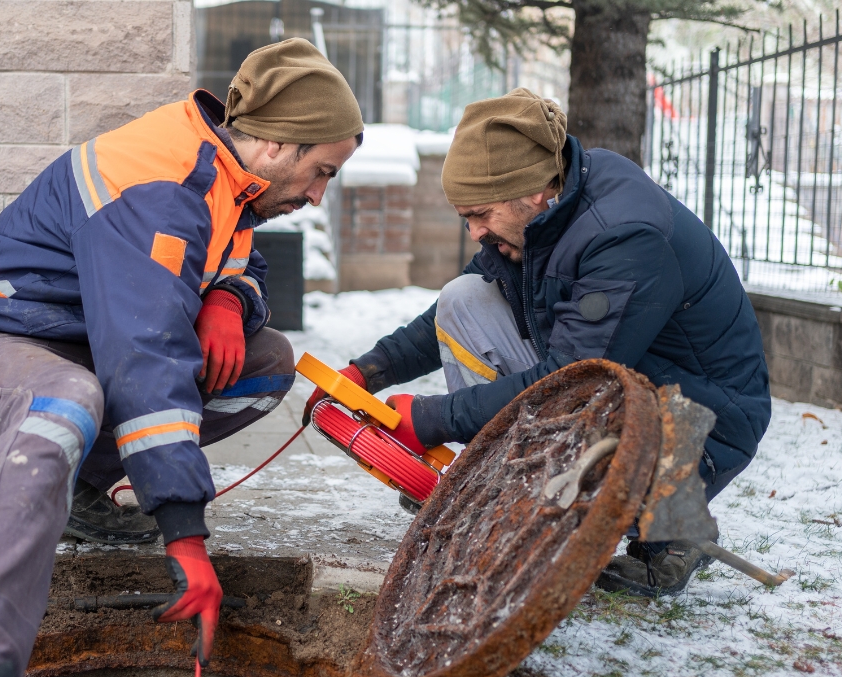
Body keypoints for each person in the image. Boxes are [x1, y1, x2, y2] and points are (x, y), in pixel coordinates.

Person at [0, 38, 364, 677]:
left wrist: (230, 298)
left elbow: (234, 263)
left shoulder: (229, 182)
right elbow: (144, 357)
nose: (319, 196)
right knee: (67, 399)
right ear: (275, 146)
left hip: (78, 351)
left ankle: (89, 499)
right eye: (321, 171)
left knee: (264, 364)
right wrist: (184, 531)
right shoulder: (157, 186)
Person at [307, 88, 771, 599]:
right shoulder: (543, 217)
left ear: (532, 191)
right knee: (463, 298)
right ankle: (509, 489)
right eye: (465, 217)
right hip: (624, 381)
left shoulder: (624, 237)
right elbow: (456, 313)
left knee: (573, 408)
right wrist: (370, 370)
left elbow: (571, 378)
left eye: (480, 214)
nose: (474, 231)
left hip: (697, 424)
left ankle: (674, 528)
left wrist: (430, 418)